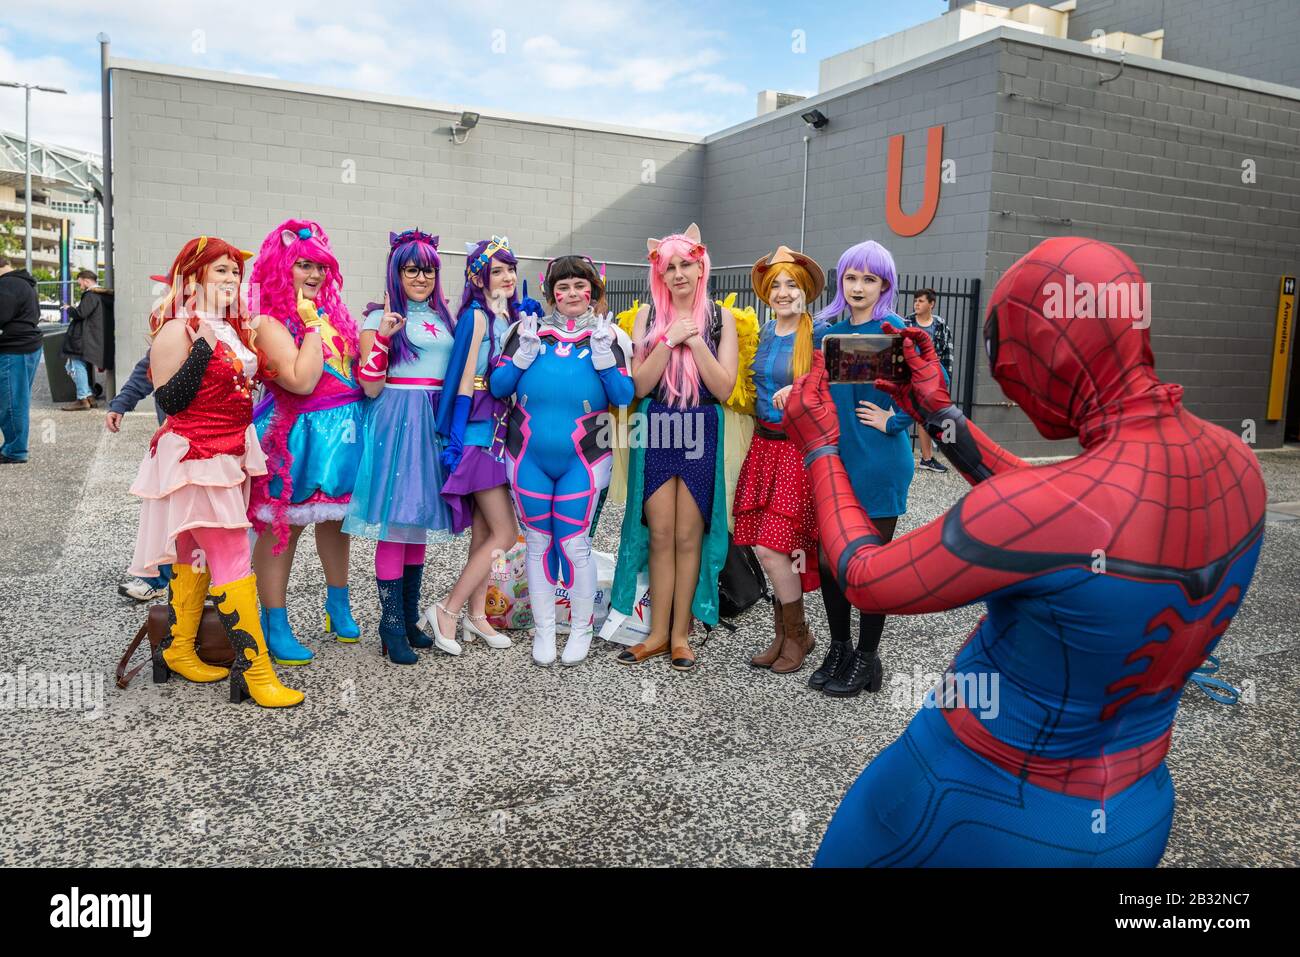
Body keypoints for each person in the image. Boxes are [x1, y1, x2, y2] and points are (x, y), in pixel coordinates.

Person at [786, 236, 1266, 866]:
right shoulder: (1239, 465)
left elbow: (867, 577)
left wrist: (821, 447)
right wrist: (936, 411)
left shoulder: (1050, 510)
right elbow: (1050, 501)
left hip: (976, 796)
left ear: (1044, 354)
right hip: (1135, 808)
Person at [127, 235, 307, 708]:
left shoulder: (233, 328)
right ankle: (255, 670)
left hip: (228, 454)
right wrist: (203, 345)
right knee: (230, 557)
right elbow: (169, 402)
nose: (230, 279)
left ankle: (178, 648)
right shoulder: (177, 331)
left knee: (192, 552)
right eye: (221, 270)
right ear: (194, 277)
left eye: (234, 272)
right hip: (195, 458)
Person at [489, 254, 635, 666]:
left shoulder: (611, 336)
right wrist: (522, 357)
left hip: (584, 459)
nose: (571, 294)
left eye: (579, 285)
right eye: (562, 286)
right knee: (536, 542)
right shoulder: (525, 331)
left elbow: (624, 398)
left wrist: (606, 362)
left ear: (594, 289)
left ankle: (582, 629)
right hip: (527, 455)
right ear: (550, 291)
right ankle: (544, 630)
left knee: (574, 544)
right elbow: (499, 386)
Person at [612, 224, 738, 673]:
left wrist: (696, 338)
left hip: (702, 427)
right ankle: (657, 634)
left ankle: (682, 635)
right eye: (670, 267)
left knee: (689, 536)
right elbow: (639, 386)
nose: (680, 273)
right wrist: (668, 339)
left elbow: (724, 389)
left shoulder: (723, 320)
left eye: (687, 264)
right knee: (660, 534)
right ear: (659, 274)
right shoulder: (645, 318)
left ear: (702, 266)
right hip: (660, 427)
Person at [248, 219, 365, 665]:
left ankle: (337, 604)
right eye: (302, 265)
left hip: (343, 435)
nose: (314, 275)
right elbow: (300, 380)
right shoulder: (269, 320)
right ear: (281, 268)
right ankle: (273, 621)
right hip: (295, 437)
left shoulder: (332, 313)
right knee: (284, 528)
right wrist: (311, 324)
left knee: (337, 522)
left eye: (320, 266)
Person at [344, 229, 459, 664]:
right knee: (396, 520)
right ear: (396, 271)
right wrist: (386, 339)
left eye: (429, 269)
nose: (422, 276)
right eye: (412, 268)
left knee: (418, 521)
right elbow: (370, 387)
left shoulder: (445, 318)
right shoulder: (377, 320)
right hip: (397, 418)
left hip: (434, 420)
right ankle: (390, 625)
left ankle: (409, 617)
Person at [809, 240, 914, 698]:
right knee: (830, 561)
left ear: (884, 285)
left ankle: (869, 660)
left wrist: (897, 420)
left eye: (869, 279)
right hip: (835, 462)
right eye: (851, 277)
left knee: (869, 568)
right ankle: (840, 647)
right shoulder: (824, 335)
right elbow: (812, 389)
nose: (858, 286)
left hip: (880, 463)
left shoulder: (895, 331)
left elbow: (936, 387)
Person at [429, 236, 532, 653]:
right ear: (479, 277)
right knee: (506, 533)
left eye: (510, 269)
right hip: (478, 436)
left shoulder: (509, 315)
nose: (506, 277)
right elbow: (464, 378)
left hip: (500, 432)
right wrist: (455, 438)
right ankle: (447, 609)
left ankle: (476, 615)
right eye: (497, 270)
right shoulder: (476, 317)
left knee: (486, 532)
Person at [735, 246, 824, 674]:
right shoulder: (766, 332)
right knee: (764, 544)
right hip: (763, 444)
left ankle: (799, 632)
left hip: (797, 449)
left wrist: (802, 389)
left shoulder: (820, 334)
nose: (783, 292)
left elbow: (834, 389)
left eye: (791, 284)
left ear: (806, 290)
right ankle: (786, 634)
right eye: (776, 286)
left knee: (775, 548)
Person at [107, 349, 172, 601]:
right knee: (164, 509)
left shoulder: (233, 328)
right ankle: (155, 578)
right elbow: (149, 366)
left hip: (220, 442)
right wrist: (121, 403)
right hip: (174, 441)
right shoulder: (174, 323)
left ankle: (221, 582)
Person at [0, 255, 43, 464]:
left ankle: (15, 450)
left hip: (14, 349)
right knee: (16, 399)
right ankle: (13, 446)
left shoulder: (8, 284)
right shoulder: (25, 283)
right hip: (26, 347)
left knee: (11, 402)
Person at [905, 288, 951, 473]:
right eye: (915, 300)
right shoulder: (906, 322)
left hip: (931, 377)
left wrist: (944, 377)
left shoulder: (939, 324)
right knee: (905, 413)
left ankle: (927, 458)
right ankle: (906, 458)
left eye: (921, 301)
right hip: (910, 375)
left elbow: (947, 352)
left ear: (931, 304)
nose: (917, 304)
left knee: (926, 416)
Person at [60, 270, 113, 411]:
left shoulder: (91, 295)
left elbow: (80, 313)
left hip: (83, 338)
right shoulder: (103, 295)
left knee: (75, 365)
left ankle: (83, 398)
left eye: (80, 282)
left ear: (86, 280)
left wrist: (69, 309)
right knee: (77, 365)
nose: (79, 285)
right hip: (93, 338)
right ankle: (89, 397)